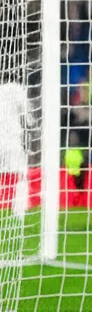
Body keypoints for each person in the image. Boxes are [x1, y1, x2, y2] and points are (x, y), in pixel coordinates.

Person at [0, 81, 33, 221]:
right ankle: (20, 208)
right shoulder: (16, 88)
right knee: (22, 173)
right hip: (11, 141)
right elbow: (29, 118)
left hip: (7, 140)